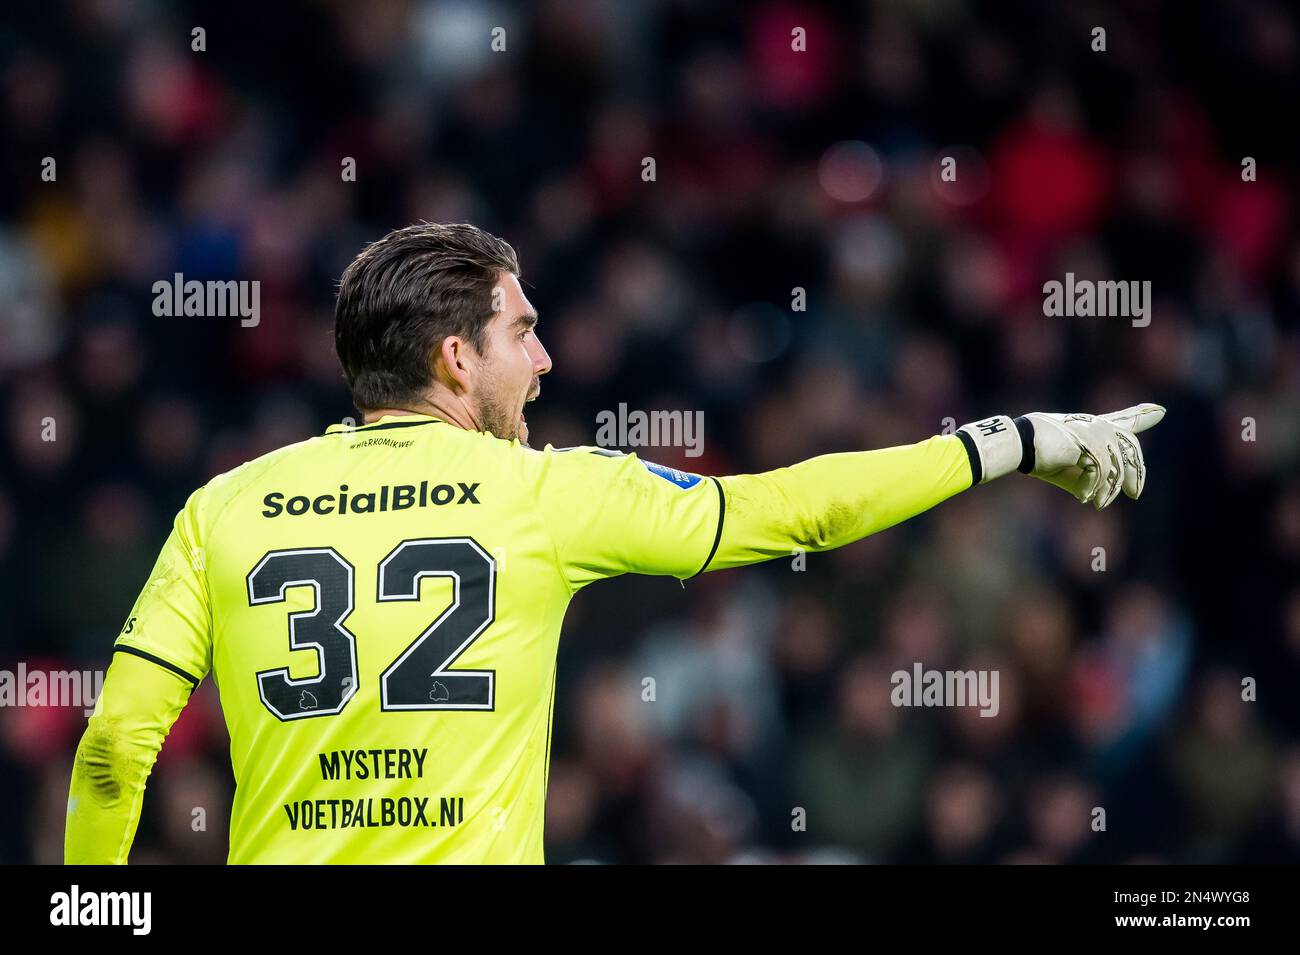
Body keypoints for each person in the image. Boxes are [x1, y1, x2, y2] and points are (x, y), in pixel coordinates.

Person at [64, 222, 1165, 863]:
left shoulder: (224, 506)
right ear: (456, 359)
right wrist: (1007, 442)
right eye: (523, 332)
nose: (543, 362)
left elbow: (116, 751)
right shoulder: (545, 494)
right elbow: (800, 510)